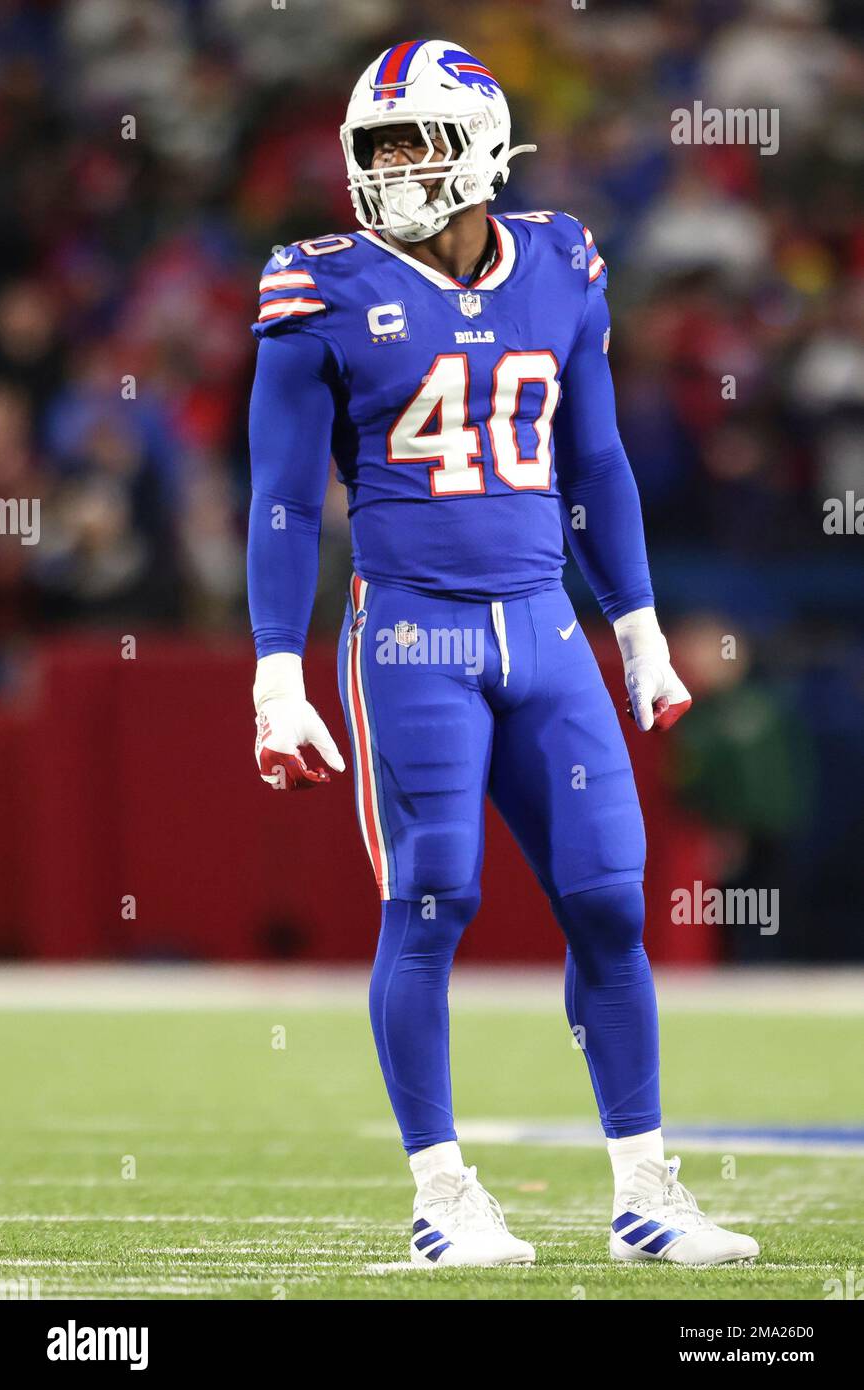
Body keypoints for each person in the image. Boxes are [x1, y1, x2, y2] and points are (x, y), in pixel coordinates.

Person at [247, 38, 759, 1270]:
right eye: (377, 146)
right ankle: (443, 1196)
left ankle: (646, 1188)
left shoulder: (563, 261)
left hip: (544, 625)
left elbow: (594, 464)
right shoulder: (315, 285)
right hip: (413, 631)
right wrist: (277, 671)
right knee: (433, 898)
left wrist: (636, 627)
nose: (392, 167)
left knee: (608, 901)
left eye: (415, 140)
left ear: (479, 141)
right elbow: (277, 502)